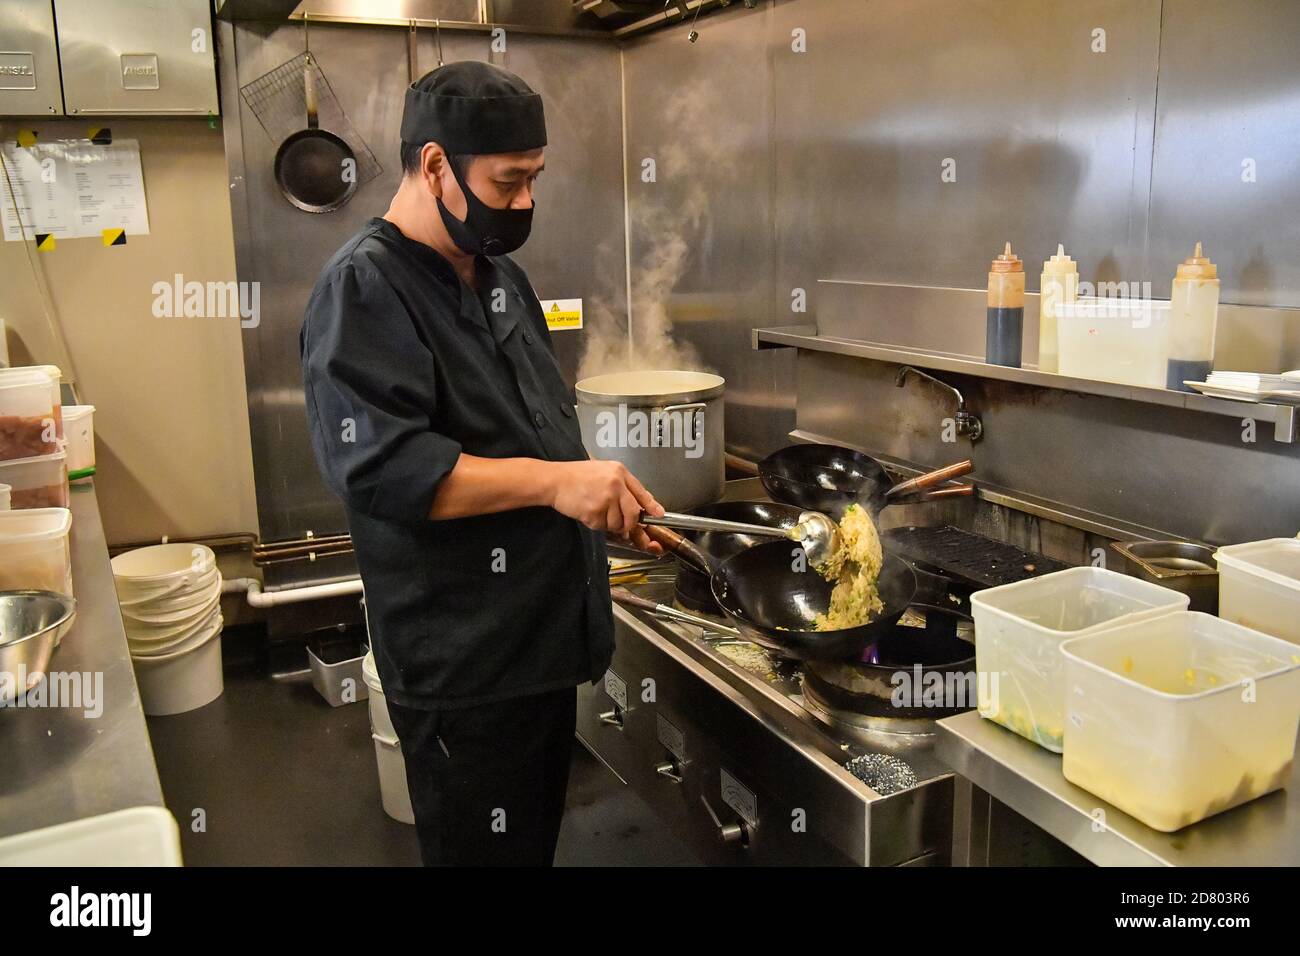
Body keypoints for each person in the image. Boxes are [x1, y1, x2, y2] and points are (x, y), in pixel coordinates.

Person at [300, 61, 664, 866]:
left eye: (536, 179)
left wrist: (601, 499)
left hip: (535, 647)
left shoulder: (501, 278)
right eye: (508, 183)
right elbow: (387, 469)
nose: (526, 203)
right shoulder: (365, 288)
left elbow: (529, 434)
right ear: (435, 166)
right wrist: (564, 484)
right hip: (465, 668)